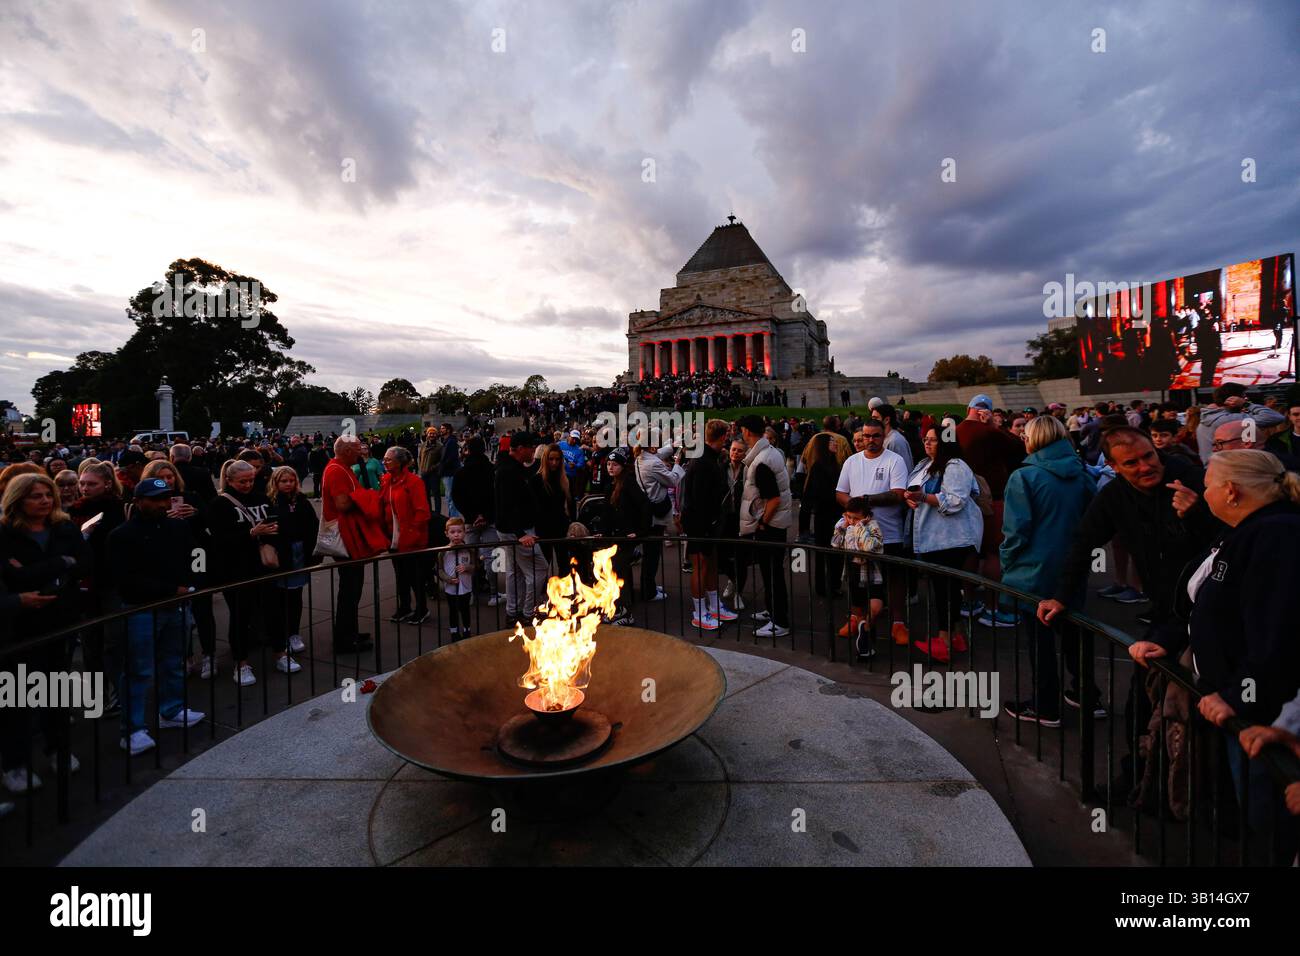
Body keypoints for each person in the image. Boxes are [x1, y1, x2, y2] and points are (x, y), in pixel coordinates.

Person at [1129, 450, 1300, 863]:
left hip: (1265, 713)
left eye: (1207, 484)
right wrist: (1168, 639)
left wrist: (1240, 697)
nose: (1200, 492)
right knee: (1253, 808)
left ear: (1232, 490)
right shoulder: (1240, 530)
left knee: (1271, 815)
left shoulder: (1277, 536)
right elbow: (1201, 600)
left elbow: (1277, 631)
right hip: (1236, 700)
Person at [999, 416, 1098, 726]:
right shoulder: (1083, 474)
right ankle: (1087, 695)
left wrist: (1007, 561)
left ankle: (1045, 704)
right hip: (1073, 567)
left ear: (1034, 439)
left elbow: (1016, 531)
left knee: (1040, 641)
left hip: (1034, 569)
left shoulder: (1025, 476)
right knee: (1073, 634)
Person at [0, 473, 89, 790]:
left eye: (47, 494)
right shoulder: (5, 534)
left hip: (60, 621)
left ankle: (58, 750)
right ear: (17, 499)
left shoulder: (64, 529)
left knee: (57, 692)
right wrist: (57, 564)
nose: (44, 500)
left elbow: (82, 563)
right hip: (19, 629)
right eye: (35, 496)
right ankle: (14, 763)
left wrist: (34, 571)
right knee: (19, 699)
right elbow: (14, 579)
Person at [106, 477, 206, 755]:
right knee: (138, 670)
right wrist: (173, 588)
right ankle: (133, 728)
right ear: (139, 502)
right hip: (142, 609)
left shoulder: (178, 526)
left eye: (166, 498)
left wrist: (195, 580)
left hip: (177, 605)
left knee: (173, 662)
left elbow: (196, 553)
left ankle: (171, 710)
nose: (163, 504)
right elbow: (124, 579)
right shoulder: (122, 535)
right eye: (155, 499)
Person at [904, 427, 984, 663]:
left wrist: (922, 498)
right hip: (935, 536)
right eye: (925, 439)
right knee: (945, 588)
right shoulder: (925, 464)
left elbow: (955, 501)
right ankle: (956, 636)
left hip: (952, 537)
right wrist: (910, 499)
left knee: (944, 590)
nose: (928, 444)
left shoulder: (955, 465)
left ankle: (943, 641)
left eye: (933, 440)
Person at [835, 419, 909, 645]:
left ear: (883, 436)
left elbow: (898, 494)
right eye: (866, 436)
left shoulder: (894, 461)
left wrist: (865, 501)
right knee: (856, 579)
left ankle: (898, 623)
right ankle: (856, 616)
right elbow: (840, 493)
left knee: (894, 578)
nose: (870, 440)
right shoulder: (851, 461)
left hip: (889, 531)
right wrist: (854, 510)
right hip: (858, 533)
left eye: (875, 436)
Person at [208, 460, 278, 685]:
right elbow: (218, 540)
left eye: (251, 480)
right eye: (242, 481)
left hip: (263, 565)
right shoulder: (219, 504)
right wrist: (250, 533)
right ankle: (241, 662)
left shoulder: (261, 497)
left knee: (272, 610)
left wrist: (272, 530)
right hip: (236, 568)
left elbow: (274, 520)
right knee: (240, 615)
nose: (248, 484)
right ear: (229, 480)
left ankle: (280, 652)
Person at [321, 436, 386, 654]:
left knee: (353, 589)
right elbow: (342, 503)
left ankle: (350, 632)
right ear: (347, 451)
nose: (361, 453)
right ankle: (345, 640)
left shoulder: (342, 467)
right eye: (357, 449)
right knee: (349, 590)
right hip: (346, 537)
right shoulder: (337, 471)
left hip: (351, 536)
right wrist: (366, 496)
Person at [737, 415, 792, 638]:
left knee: (773, 574)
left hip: (770, 526)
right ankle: (772, 611)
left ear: (747, 432)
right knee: (770, 572)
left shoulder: (761, 462)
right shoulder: (768, 453)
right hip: (774, 524)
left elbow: (774, 499)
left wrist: (762, 523)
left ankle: (780, 622)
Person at [679, 419, 736, 629]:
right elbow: (699, 498)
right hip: (699, 522)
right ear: (722, 437)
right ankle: (699, 611)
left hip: (709, 522)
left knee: (711, 563)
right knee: (700, 565)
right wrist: (706, 524)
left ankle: (713, 605)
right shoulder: (703, 461)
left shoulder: (710, 458)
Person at [584, 447, 649, 625]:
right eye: (609, 464)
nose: (610, 468)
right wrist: (602, 532)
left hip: (626, 537)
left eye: (614, 464)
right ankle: (618, 607)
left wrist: (640, 531)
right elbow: (607, 513)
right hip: (615, 536)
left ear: (623, 466)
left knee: (618, 571)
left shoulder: (629, 482)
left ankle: (625, 612)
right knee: (614, 570)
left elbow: (644, 505)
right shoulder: (610, 485)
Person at [265, 466, 318, 665]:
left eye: (291, 481)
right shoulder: (270, 502)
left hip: (299, 552)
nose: (288, 484)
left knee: (295, 595)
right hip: (281, 553)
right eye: (283, 481)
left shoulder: (302, 501)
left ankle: (294, 633)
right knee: (280, 597)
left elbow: (312, 525)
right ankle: (281, 636)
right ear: (276, 483)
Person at [494, 431, 547, 626]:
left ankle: (513, 611)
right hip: (517, 530)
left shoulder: (510, 468)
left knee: (514, 571)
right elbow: (509, 505)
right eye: (531, 448)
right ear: (521, 448)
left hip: (511, 529)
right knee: (539, 568)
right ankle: (528, 612)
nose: (533, 451)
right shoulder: (509, 471)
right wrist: (520, 534)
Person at [381, 446, 431, 625]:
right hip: (393, 536)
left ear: (400, 462)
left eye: (388, 459)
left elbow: (422, 511)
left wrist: (412, 532)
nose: (385, 462)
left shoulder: (413, 482)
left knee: (414, 576)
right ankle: (404, 607)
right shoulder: (387, 480)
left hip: (411, 538)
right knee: (400, 574)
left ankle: (422, 608)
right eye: (385, 459)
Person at [831, 497, 884, 659]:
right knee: (859, 607)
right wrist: (843, 526)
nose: (852, 521)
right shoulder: (844, 524)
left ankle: (865, 629)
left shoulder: (872, 526)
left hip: (871, 571)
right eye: (849, 516)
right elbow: (835, 543)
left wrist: (860, 527)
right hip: (854, 571)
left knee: (875, 607)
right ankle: (866, 646)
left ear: (866, 516)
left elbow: (868, 547)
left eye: (856, 518)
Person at [633, 439, 679, 605]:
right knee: (652, 553)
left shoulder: (640, 457)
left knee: (650, 552)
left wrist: (673, 446)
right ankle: (649, 591)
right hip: (655, 513)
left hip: (647, 510)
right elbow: (673, 480)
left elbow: (659, 454)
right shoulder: (653, 463)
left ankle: (649, 586)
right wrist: (678, 465)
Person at [1195, 383, 1284, 465]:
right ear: (1233, 400)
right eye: (1243, 397)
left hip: (1213, 468)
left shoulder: (1208, 418)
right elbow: (1276, 418)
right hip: (1228, 469)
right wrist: (1246, 404)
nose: (1246, 399)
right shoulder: (1229, 419)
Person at [532, 444, 572, 574]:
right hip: (542, 528)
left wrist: (572, 523)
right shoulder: (537, 480)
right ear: (545, 459)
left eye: (557, 459)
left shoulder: (565, 480)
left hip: (561, 526)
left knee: (564, 563)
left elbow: (570, 505)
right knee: (543, 564)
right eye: (551, 459)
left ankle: (564, 591)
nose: (554, 463)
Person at [438, 517, 477, 638]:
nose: (456, 535)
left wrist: (467, 567)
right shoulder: (443, 552)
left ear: (464, 532)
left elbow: (475, 566)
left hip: (465, 587)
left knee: (465, 609)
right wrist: (448, 579)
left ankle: (467, 630)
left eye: (459, 532)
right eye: (452, 532)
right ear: (447, 534)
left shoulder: (469, 550)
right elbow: (439, 570)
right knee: (453, 611)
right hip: (451, 588)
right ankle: (454, 632)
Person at [418, 427, 443, 514]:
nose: (431, 435)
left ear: (436, 435)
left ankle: (437, 512)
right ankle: (428, 511)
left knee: (436, 493)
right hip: (424, 473)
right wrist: (421, 467)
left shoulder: (440, 446)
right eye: (430, 433)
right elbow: (420, 457)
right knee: (426, 494)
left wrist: (434, 467)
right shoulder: (424, 445)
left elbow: (442, 460)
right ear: (427, 435)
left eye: (433, 433)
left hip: (434, 474)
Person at [438, 423, 461, 518]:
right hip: (447, 472)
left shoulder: (451, 441)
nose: (441, 430)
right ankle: (452, 516)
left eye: (443, 428)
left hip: (450, 472)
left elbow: (451, 458)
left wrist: (442, 466)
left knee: (451, 497)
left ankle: (454, 518)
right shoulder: (447, 441)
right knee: (449, 497)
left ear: (448, 430)